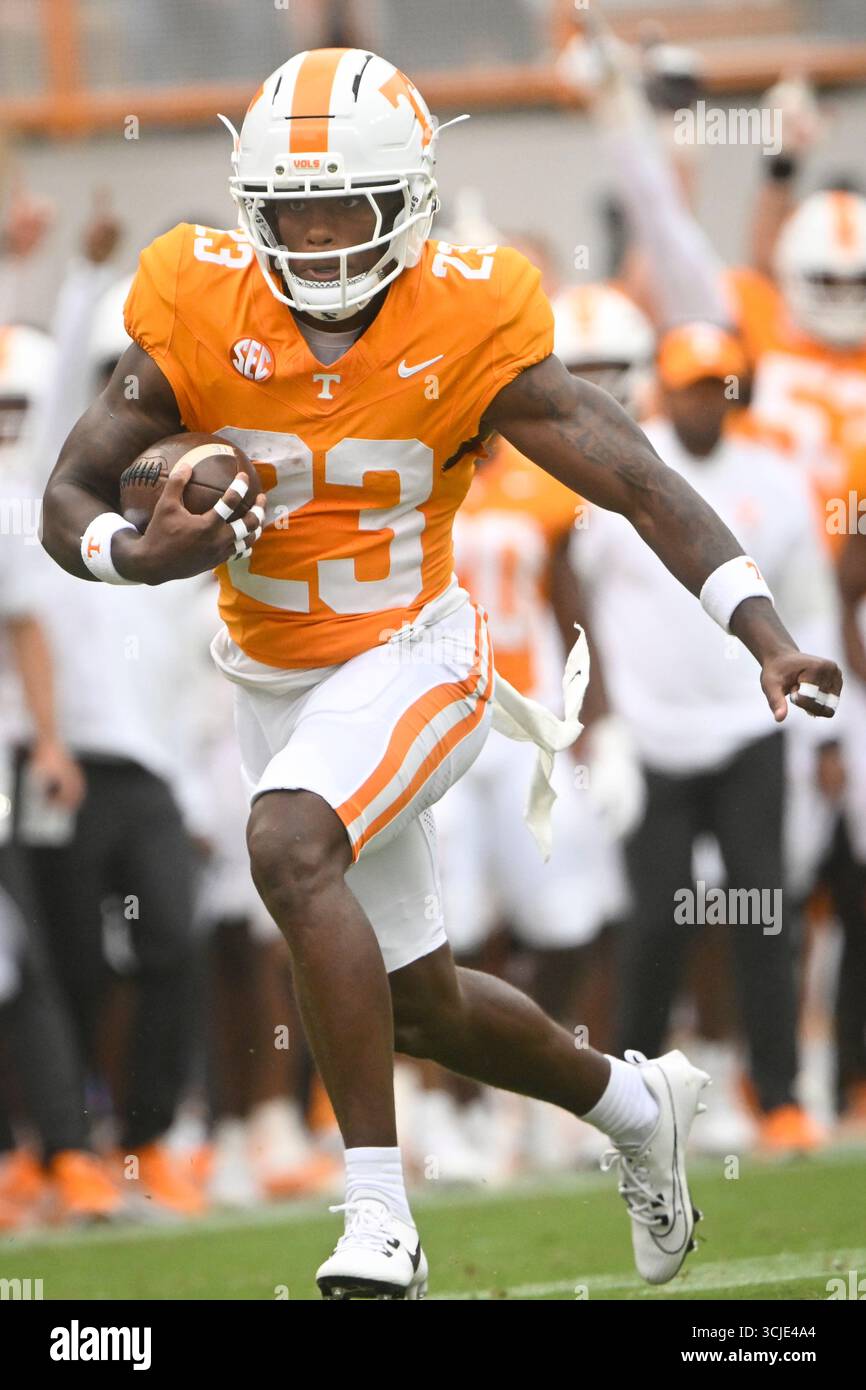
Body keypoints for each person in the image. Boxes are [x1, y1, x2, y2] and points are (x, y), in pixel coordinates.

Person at [40, 48, 841, 1300]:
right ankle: (633, 1103)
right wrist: (140, 550)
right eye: (285, 208)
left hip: (415, 650)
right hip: (271, 678)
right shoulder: (197, 299)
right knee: (420, 1005)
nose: (308, 236)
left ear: (405, 203)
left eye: (337, 207)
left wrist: (763, 631)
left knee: (289, 840)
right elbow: (71, 494)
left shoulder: (468, 315)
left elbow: (632, 475)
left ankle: (377, 1219)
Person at [570, 321, 841, 1153]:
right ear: (666, 388)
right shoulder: (625, 477)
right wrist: (598, 717)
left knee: (765, 909)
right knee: (655, 920)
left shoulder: (777, 480)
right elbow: (569, 594)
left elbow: (813, 599)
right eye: (691, 384)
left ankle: (780, 1097)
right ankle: (633, 1106)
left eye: (718, 383)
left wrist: (832, 733)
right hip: (651, 735)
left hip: (746, 728)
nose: (704, 400)